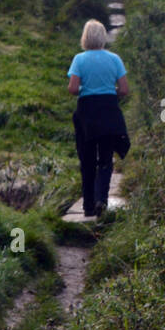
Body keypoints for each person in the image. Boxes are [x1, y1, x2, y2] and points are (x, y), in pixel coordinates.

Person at [67, 19, 130, 218]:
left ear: (85, 38)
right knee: (105, 159)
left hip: (87, 113)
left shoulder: (79, 59)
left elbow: (73, 88)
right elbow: (125, 89)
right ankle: (101, 200)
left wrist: (88, 90)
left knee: (87, 160)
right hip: (109, 111)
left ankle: (87, 206)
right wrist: (110, 93)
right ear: (103, 37)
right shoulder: (114, 59)